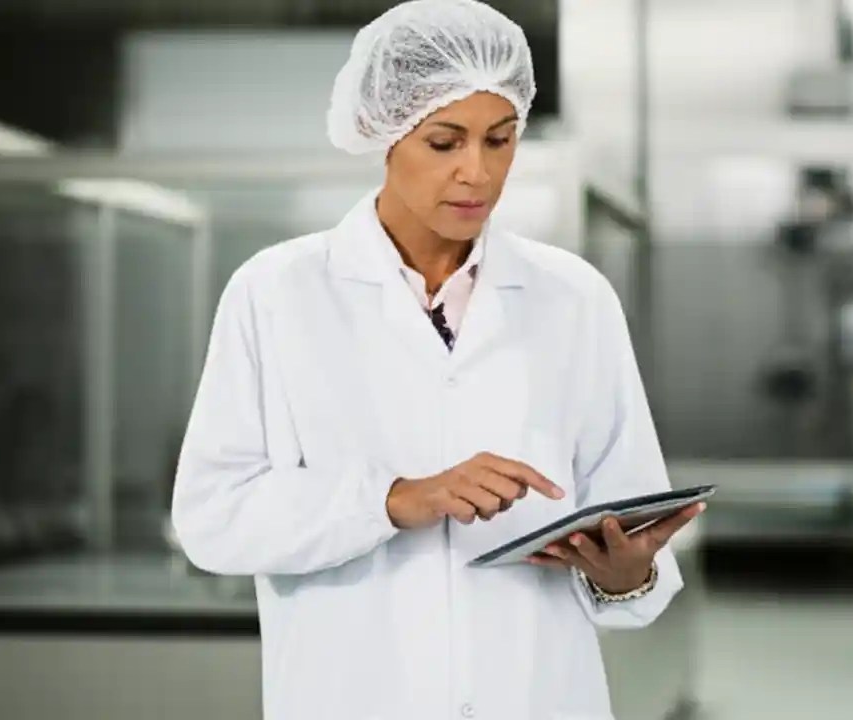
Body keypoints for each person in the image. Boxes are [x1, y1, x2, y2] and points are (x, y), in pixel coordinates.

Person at [171, 1, 703, 718]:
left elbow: (627, 512)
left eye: (501, 139)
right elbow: (213, 517)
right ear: (384, 133)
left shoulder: (574, 300)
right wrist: (394, 499)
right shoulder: (277, 293)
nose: (476, 174)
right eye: (445, 142)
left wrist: (625, 572)